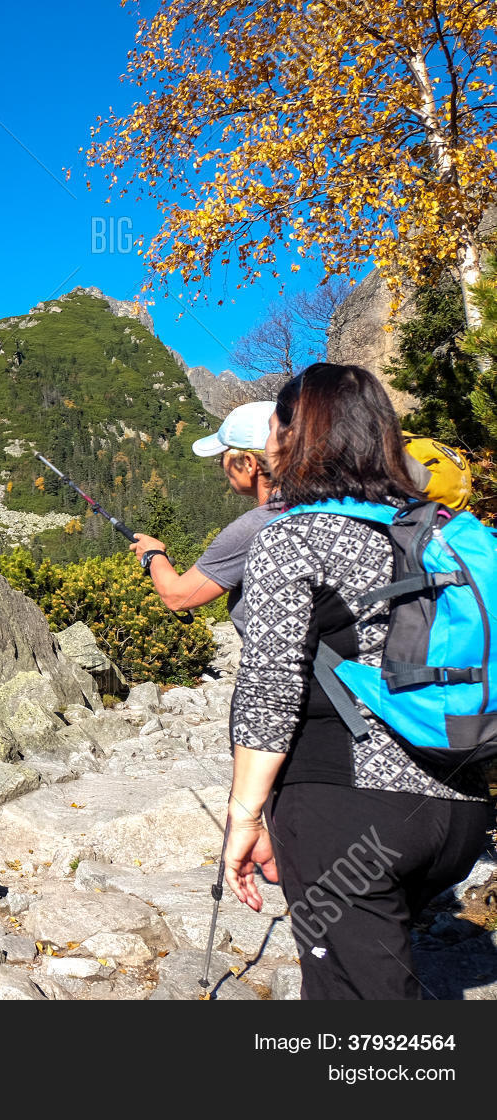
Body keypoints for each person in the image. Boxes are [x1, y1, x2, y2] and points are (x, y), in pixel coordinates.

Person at [223, 363, 494, 1000]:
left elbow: (269, 688)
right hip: (458, 812)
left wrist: (244, 816)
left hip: (349, 809)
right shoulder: (444, 532)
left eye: (276, 427)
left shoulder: (294, 537)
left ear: (294, 438)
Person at [127, 400, 282, 632]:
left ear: (249, 464)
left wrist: (153, 554)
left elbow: (178, 597)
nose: (220, 464)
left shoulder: (256, 527)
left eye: (225, 455)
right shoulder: (321, 507)